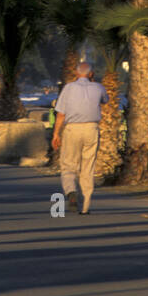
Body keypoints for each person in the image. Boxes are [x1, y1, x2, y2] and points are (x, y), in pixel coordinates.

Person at [51, 61, 108, 215]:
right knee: (88, 166)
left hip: (72, 129)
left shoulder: (68, 88)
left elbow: (61, 114)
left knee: (69, 164)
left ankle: (71, 192)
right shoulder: (98, 87)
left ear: (76, 73)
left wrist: (56, 134)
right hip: (91, 129)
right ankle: (86, 206)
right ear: (91, 74)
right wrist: (94, 82)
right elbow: (105, 100)